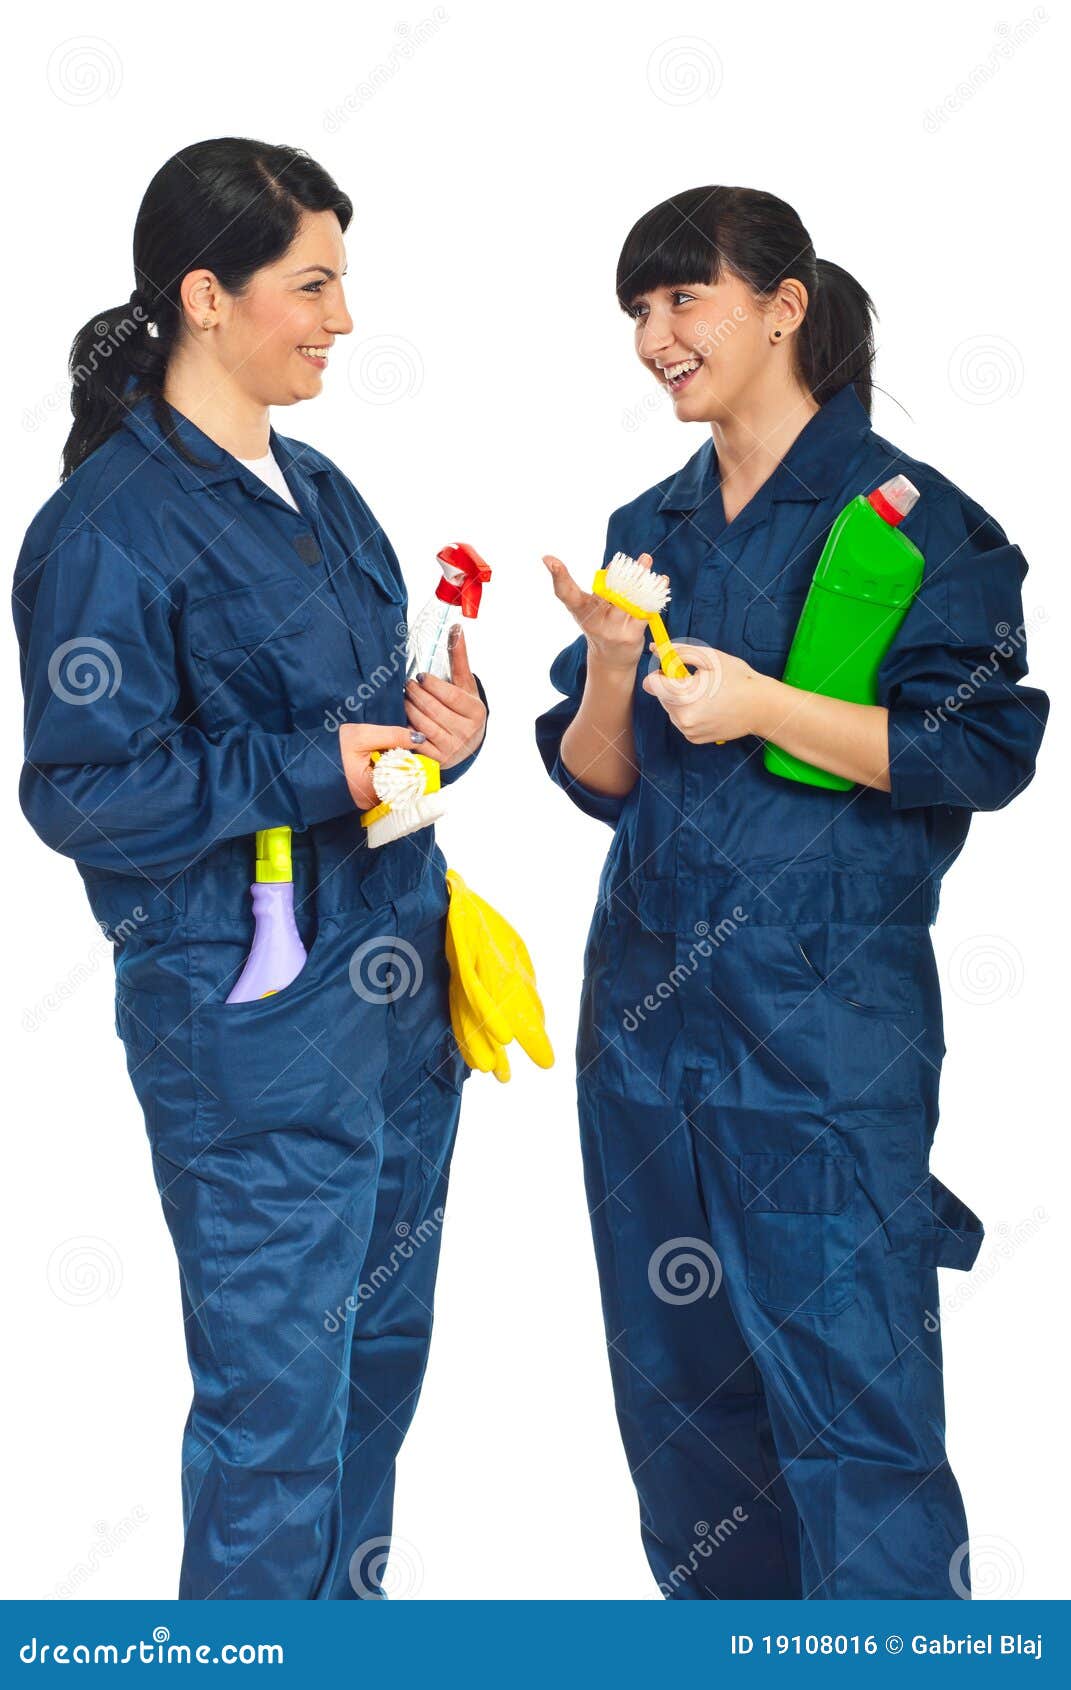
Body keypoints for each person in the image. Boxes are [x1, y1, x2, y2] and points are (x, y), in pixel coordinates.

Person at [536, 185, 1048, 1600]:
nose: (655, 336)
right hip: (645, 1032)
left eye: (680, 298)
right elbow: (600, 776)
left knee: (854, 1412)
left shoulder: (909, 522)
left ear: (783, 306)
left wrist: (761, 702)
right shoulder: (649, 526)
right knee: (686, 1420)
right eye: (638, 311)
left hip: (822, 1026)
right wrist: (619, 670)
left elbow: (976, 748)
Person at [13, 136, 488, 1600]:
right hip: (250, 1029)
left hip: (400, 1006)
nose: (343, 318)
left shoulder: (324, 491)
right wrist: (316, 763)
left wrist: (439, 740)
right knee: (276, 1415)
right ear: (205, 296)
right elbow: (82, 791)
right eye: (314, 283)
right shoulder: (104, 527)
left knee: (372, 1385)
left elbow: (368, 734)